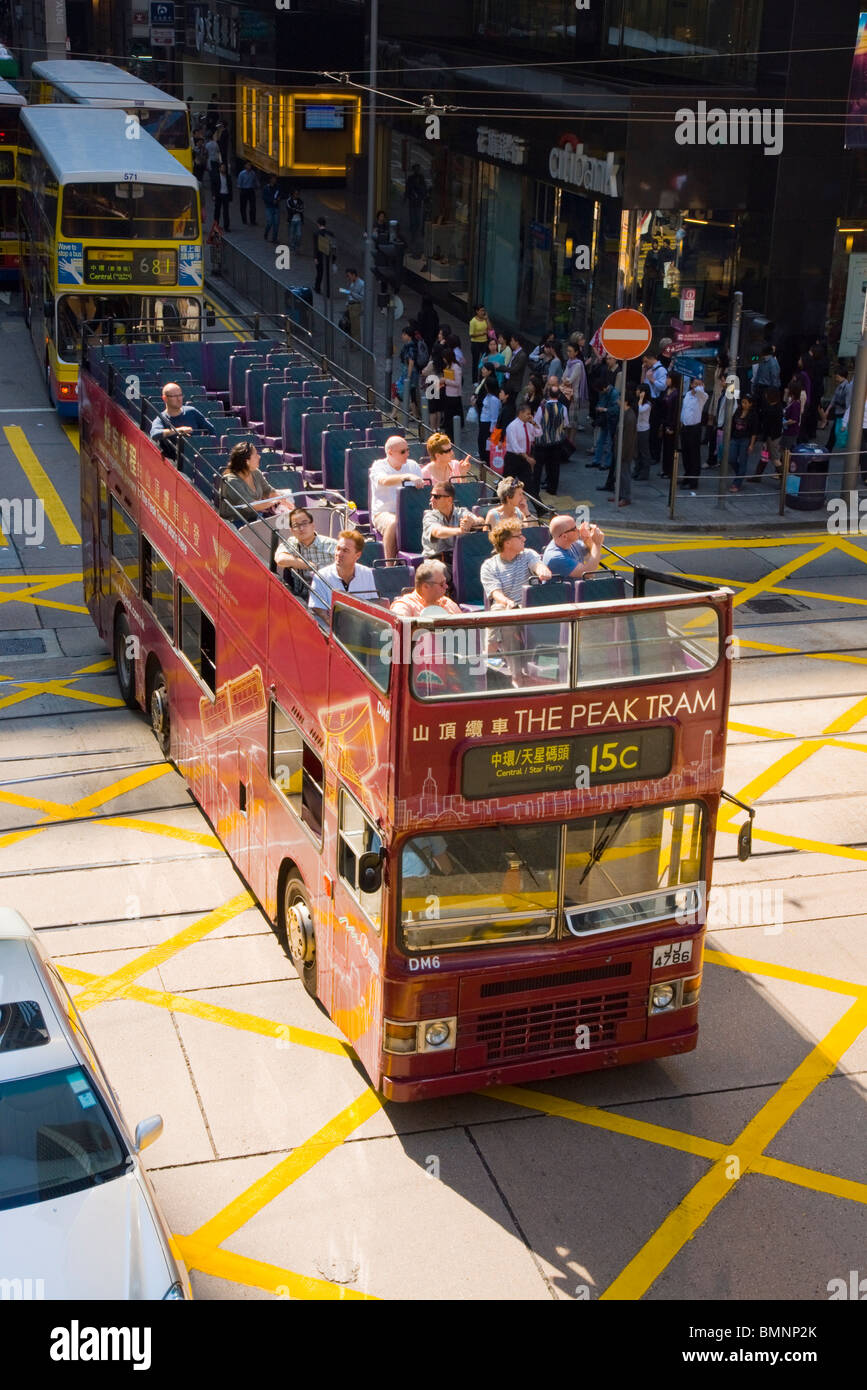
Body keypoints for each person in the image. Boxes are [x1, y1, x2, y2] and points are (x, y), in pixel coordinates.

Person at [369, 436, 426, 560]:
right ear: (390, 452)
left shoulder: (413, 465)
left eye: (408, 450)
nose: (407, 454)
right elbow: (384, 480)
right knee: (394, 522)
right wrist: (406, 476)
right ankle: (389, 564)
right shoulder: (379, 466)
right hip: (384, 512)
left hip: (410, 511)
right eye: (402, 451)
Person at [421, 480, 484, 590]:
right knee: (439, 571)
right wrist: (460, 530)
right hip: (436, 559)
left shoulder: (461, 512)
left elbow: (481, 521)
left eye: (436, 496)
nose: (431, 500)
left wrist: (472, 522)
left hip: (460, 558)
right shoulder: (430, 516)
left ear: (449, 499)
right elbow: (437, 531)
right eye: (431, 496)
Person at [480, 518, 552, 610]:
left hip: (531, 608)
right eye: (519, 536)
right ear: (507, 542)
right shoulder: (488, 566)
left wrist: (542, 570)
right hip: (506, 609)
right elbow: (496, 593)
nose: (524, 539)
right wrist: (509, 603)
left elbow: (537, 564)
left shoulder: (528, 554)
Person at [309, 530, 377, 621]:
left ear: (357, 555)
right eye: (338, 549)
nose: (339, 554)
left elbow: (373, 603)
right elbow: (318, 608)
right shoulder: (321, 576)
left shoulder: (367, 573)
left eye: (345, 550)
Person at [220, 441, 293, 522]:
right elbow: (250, 505)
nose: (259, 457)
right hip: (235, 522)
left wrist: (290, 507)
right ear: (246, 461)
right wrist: (275, 501)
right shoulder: (230, 481)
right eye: (255, 455)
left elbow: (268, 491)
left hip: (255, 518)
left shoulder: (255, 472)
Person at [390, 559, 462, 618]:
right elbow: (399, 628)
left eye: (445, 582)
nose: (446, 586)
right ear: (426, 586)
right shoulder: (405, 605)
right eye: (441, 584)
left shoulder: (449, 604)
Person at [150, 383, 216, 447]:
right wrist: (178, 430)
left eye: (180, 395)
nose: (179, 399)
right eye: (175, 396)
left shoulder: (191, 411)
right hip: (174, 457)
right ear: (165, 398)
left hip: (196, 455)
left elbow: (211, 430)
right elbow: (154, 434)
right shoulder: (161, 418)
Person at [274, 507, 338, 573]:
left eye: (304, 523)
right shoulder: (292, 542)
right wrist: (311, 566)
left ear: (313, 525)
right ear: (291, 530)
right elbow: (280, 559)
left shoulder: (331, 545)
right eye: (296, 525)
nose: (301, 528)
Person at [534, 384, 569, 495]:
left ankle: (535, 489)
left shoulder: (542, 408)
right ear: (559, 395)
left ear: (548, 394)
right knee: (554, 466)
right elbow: (566, 424)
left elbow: (536, 423)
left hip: (543, 442)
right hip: (557, 442)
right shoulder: (563, 408)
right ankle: (552, 489)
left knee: (539, 466)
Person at [679, 375, 708, 493]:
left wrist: (700, 386)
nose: (696, 386)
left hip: (694, 429)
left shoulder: (701, 397)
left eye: (699, 384)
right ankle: (687, 476)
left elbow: (702, 393)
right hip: (685, 427)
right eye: (694, 384)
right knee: (685, 454)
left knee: (694, 455)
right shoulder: (687, 395)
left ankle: (693, 481)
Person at [502, 402, 540, 492]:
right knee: (505, 484)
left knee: (529, 486)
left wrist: (534, 422)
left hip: (524, 459)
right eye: (528, 414)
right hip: (513, 458)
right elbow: (515, 447)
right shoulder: (512, 427)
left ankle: (540, 506)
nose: (529, 416)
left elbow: (538, 433)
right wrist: (528, 458)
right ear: (520, 413)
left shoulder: (529, 425)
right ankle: (493, 501)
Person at [641, 350, 669, 464]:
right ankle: (650, 453)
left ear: (650, 358)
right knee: (649, 429)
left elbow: (662, 386)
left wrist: (652, 379)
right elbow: (643, 383)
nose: (645, 364)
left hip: (656, 402)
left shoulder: (661, 370)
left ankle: (655, 455)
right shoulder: (649, 370)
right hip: (649, 400)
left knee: (654, 429)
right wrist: (644, 371)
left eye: (645, 361)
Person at [727, 394, 759, 493]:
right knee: (731, 458)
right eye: (743, 402)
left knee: (743, 461)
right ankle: (740, 475)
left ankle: (737, 482)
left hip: (745, 439)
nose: (743, 404)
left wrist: (751, 445)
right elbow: (732, 424)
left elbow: (754, 431)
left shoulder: (753, 415)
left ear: (750, 404)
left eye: (746, 402)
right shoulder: (738, 411)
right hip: (735, 438)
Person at [751, 387, 784, 480]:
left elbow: (767, 426)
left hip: (771, 437)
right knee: (765, 456)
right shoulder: (778, 407)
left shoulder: (771, 410)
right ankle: (757, 476)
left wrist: (765, 439)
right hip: (775, 436)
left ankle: (784, 481)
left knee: (775, 459)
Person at [819, 364, 852, 453]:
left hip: (843, 413)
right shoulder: (839, 386)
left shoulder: (847, 387)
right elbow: (834, 399)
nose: (835, 378)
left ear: (842, 376)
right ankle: (829, 447)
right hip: (838, 412)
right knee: (835, 431)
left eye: (837, 376)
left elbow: (847, 404)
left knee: (836, 431)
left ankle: (829, 447)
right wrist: (828, 409)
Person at [562, 343, 588, 437]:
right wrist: (565, 380)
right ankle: (566, 441)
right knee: (566, 421)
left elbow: (569, 380)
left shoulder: (577, 365)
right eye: (567, 351)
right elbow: (563, 377)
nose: (568, 353)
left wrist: (565, 380)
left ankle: (571, 442)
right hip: (566, 394)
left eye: (570, 351)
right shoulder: (569, 362)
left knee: (572, 422)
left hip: (573, 396)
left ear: (576, 352)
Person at [477, 375, 502, 462]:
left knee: (485, 445)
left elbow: (494, 417)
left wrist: (491, 431)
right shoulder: (488, 396)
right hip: (483, 422)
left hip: (487, 425)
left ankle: (486, 462)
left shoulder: (494, 400)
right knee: (481, 442)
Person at [440, 347, 464, 437]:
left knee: (451, 418)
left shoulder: (456, 367)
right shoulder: (449, 366)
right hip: (448, 394)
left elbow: (457, 383)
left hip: (454, 396)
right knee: (448, 417)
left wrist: (445, 381)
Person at [405, 163, 427, 253]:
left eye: (418, 169)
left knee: (417, 220)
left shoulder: (421, 178)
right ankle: (413, 236)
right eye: (416, 169)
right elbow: (408, 189)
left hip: (417, 202)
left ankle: (415, 236)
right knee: (413, 220)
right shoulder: (411, 178)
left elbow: (423, 189)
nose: (417, 171)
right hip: (413, 202)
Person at [398, 327, 420, 418]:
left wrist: (409, 376)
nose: (402, 336)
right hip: (408, 372)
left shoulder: (411, 347)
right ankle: (415, 414)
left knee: (404, 392)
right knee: (412, 393)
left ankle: (415, 414)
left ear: (409, 336)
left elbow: (411, 362)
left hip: (410, 373)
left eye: (404, 334)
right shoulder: (409, 345)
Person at [660, 373, 679, 479]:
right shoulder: (666, 391)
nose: (666, 380)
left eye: (668, 378)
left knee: (670, 449)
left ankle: (670, 471)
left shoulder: (676, 394)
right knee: (665, 448)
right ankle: (665, 469)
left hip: (671, 424)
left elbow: (675, 412)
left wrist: (671, 426)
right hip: (665, 421)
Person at [339, 268, 365, 340]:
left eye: (349, 276)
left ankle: (356, 344)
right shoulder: (352, 282)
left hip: (355, 306)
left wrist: (351, 293)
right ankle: (350, 343)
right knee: (348, 325)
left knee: (355, 327)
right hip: (350, 305)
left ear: (353, 275)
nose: (348, 278)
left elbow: (362, 298)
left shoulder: (361, 284)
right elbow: (350, 294)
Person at [313, 216, 336, 294]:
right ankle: (328, 291)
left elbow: (316, 247)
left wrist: (315, 257)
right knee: (327, 275)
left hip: (319, 256)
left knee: (319, 273)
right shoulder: (330, 233)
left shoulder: (316, 233)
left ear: (318, 224)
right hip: (328, 256)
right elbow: (333, 246)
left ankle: (317, 288)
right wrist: (333, 259)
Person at [634, 383, 652, 480]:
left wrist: (641, 399)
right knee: (637, 452)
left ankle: (644, 473)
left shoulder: (647, 404)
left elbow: (640, 410)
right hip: (637, 429)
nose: (636, 391)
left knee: (644, 452)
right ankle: (637, 469)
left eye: (638, 390)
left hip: (643, 430)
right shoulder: (638, 402)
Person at [468, 304, 491, 378]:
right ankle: (474, 379)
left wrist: (487, 319)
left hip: (484, 342)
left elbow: (490, 329)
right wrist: (482, 333)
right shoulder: (473, 321)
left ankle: (482, 377)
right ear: (477, 311)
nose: (483, 312)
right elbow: (471, 334)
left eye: (484, 310)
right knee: (475, 361)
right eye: (481, 310)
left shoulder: (485, 319)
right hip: (476, 343)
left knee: (485, 360)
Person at [237, 162, 257, 227]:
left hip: (251, 190)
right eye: (248, 165)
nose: (249, 166)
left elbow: (255, 181)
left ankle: (252, 220)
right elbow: (239, 184)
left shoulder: (253, 173)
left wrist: (256, 186)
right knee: (243, 206)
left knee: (253, 206)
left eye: (250, 165)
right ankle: (244, 220)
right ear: (245, 166)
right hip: (244, 190)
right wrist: (240, 191)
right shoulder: (242, 174)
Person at [262, 176, 281, 244]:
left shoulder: (278, 187)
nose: (275, 180)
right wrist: (272, 201)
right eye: (273, 179)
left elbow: (280, 194)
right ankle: (266, 233)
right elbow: (264, 197)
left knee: (276, 223)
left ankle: (274, 238)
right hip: (269, 207)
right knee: (269, 222)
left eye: (275, 179)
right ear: (270, 180)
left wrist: (278, 199)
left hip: (276, 207)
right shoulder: (266, 188)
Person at [214, 163, 232, 231]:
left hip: (226, 195)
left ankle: (226, 226)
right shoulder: (216, 176)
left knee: (226, 212)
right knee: (217, 211)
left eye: (224, 168)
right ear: (219, 169)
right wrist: (214, 195)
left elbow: (230, 187)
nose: (223, 169)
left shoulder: (228, 177)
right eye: (222, 168)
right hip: (219, 195)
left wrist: (230, 196)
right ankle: (216, 225)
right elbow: (214, 186)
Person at [286, 187, 304, 252]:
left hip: (298, 220)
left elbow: (302, 210)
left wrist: (295, 209)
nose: (297, 195)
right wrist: (297, 209)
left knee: (299, 235)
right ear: (292, 194)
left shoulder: (300, 201)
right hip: (291, 220)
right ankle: (292, 246)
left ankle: (296, 246)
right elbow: (290, 210)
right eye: (295, 194)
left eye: (298, 194)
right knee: (292, 235)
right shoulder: (289, 200)